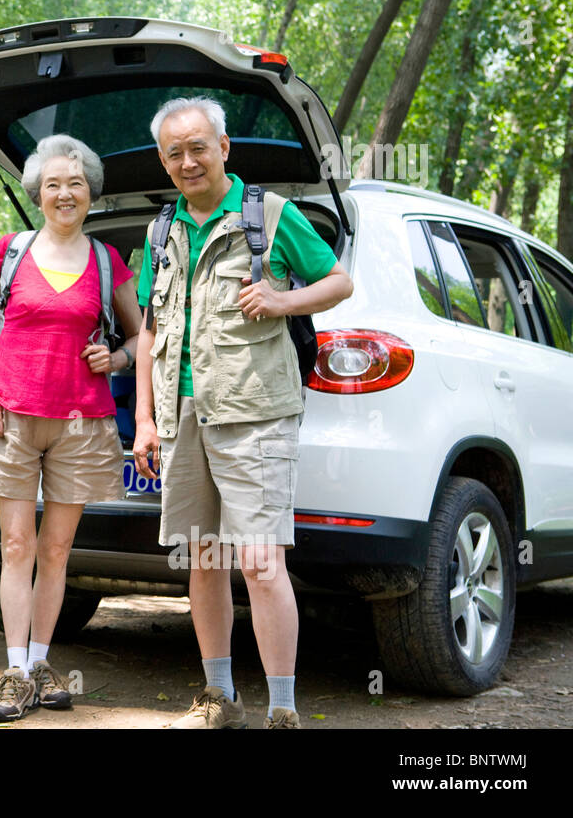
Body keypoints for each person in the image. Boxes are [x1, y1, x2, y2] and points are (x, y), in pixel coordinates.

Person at [131, 97, 353, 729]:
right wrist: (145, 419)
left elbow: (338, 282)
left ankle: (283, 710)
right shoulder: (160, 230)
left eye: (198, 146)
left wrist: (284, 300)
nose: (187, 160)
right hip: (183, 418)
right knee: (202, 558)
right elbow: (150, 329)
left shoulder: (270, 215)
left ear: (224, 147)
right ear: (164, 162)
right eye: (174, 152)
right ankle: (219, 701)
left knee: (260, 561)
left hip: (256, 414)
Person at [0, 135, 142, 722]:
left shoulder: (105, 260)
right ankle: (14, 671)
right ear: (37, 193)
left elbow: (142, 338)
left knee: (58, 549)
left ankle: (42, 663)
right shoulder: (8, 252)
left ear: (90, 191)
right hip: (9, 414)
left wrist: (115, 361)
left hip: (81, 422)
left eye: (75, 183)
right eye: (52, 184)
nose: (64, 193)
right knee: (16, 547)